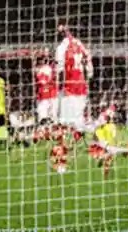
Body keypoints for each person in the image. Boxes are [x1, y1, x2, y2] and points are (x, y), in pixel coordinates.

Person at [50, 25, 93, 173]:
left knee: (62, 127)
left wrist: (59, 90)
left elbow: (60, 72)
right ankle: (74, 152)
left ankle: (60, 161)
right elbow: (89, 65)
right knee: (78, 127)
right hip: (81, 89)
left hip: (69, 90)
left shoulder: (61, 48)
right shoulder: (79, 44)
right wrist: (87, 77)